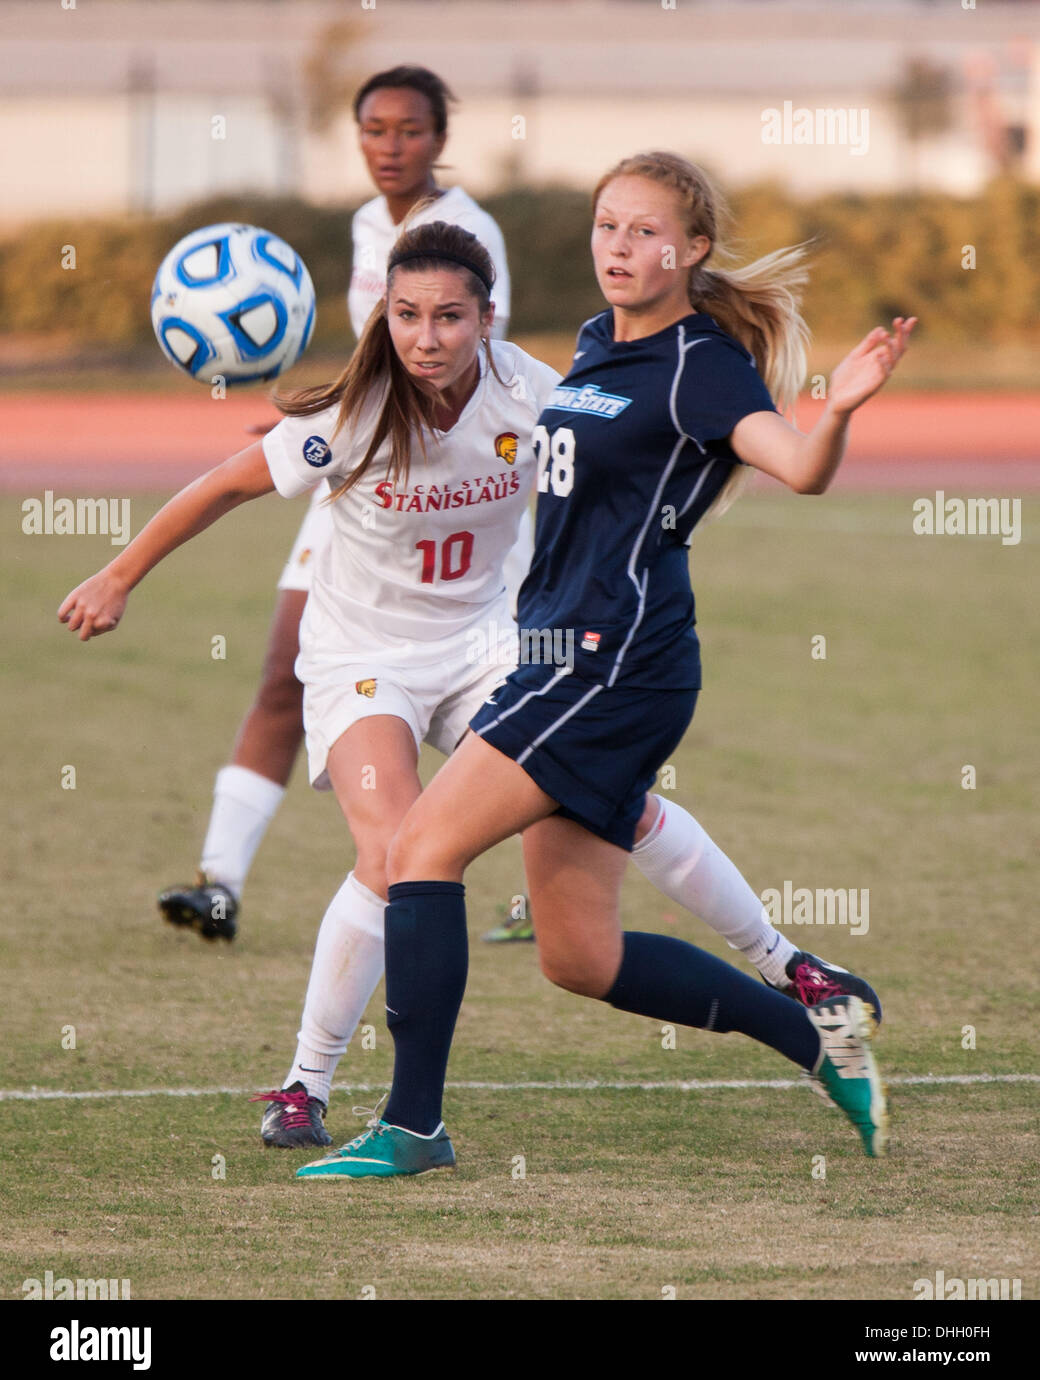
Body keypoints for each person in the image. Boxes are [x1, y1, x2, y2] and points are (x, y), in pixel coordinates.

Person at [60, 216, 883, 1158]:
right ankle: (306, 1084)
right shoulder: (351, 415)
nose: (427, 336)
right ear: (386, 316)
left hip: (495, 645)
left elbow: (637, 453)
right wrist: (119, 574)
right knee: (394, 851)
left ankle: (795, 971)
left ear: (488, 318)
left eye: (450, 316)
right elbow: (220, 486)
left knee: (619, 810)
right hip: (365, 660)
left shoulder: (536, 395)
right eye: (407, 314)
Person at [293, 151, 915, 1180]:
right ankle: (818, 1036)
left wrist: (837, 406)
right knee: (577, 957)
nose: (618, 248)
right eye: (606, 226)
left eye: (642, 231)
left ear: (693, 248)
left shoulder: (699, 365)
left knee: (419, 850)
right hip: (566, 654)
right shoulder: (592, 343)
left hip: (608, 665)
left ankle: (411, 1125)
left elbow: (799, 468)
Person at [157, 65, 517, 945]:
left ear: (440, 138)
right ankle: (221, 880)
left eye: (409, 130)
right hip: (357, 477)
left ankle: (525, 875)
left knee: (496, 714)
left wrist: (354, 427)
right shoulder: (368, 225)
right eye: (374, 129)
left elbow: (468, 379)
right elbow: (378, 362)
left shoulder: (465, 231)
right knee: (286, 667)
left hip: (441, 499)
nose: (390, 147)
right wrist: (321, 417)